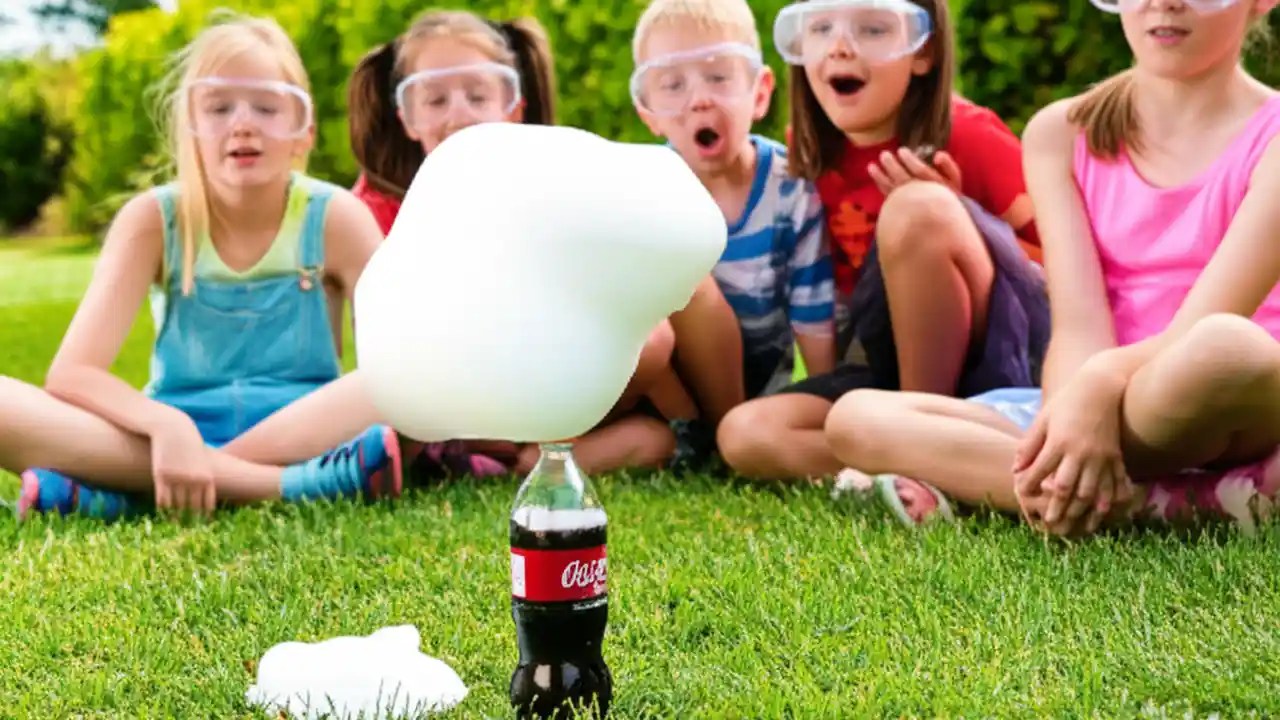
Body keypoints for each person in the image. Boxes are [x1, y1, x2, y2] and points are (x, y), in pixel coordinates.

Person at [825, 0, 1280, 537]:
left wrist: (1097, 386)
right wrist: (1069, 414)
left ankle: (998, 478)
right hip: (1094, 394)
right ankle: (1167, 502)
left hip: (1216, 391)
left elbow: (1202, 324)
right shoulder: (1060, 133)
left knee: (1222, 346)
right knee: (853, 419)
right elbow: (1078, 323)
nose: (1165, 1)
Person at [3, 14, 405, 521]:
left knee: (407, 376)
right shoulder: (152, 220)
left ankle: (129, 495)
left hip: (303, 430)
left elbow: (399, 362)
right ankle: (293, 487)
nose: (243, 123)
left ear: (301, 132)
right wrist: (168, 429)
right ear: (189, 130)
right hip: (172, 434)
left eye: (267, 107)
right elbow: (74, 373)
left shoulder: (335, 218)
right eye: (218, 108)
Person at [715, 0, 1049, 481]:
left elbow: (1058, 269)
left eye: (872, 28)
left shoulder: (970, 135)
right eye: (821, 28)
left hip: (996, 363)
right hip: (881, 364)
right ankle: (938, 470)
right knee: (746, 433)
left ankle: (916, 448)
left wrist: (962, 216)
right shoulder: (812, 154)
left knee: (917, 210)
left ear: (923, 51)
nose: (841, 48)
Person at [630, 0, 838, 404]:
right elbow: (633, 327)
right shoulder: (647, 194)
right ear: (649, 113)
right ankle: (691, 438)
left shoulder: (790, 189)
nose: (699, 100)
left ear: (759, 94)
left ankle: (721, 435)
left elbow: (814, 316)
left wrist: (825, 405)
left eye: (718, 77)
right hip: (676, 400)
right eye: (673, 86)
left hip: (758, 397)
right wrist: (682, 420)